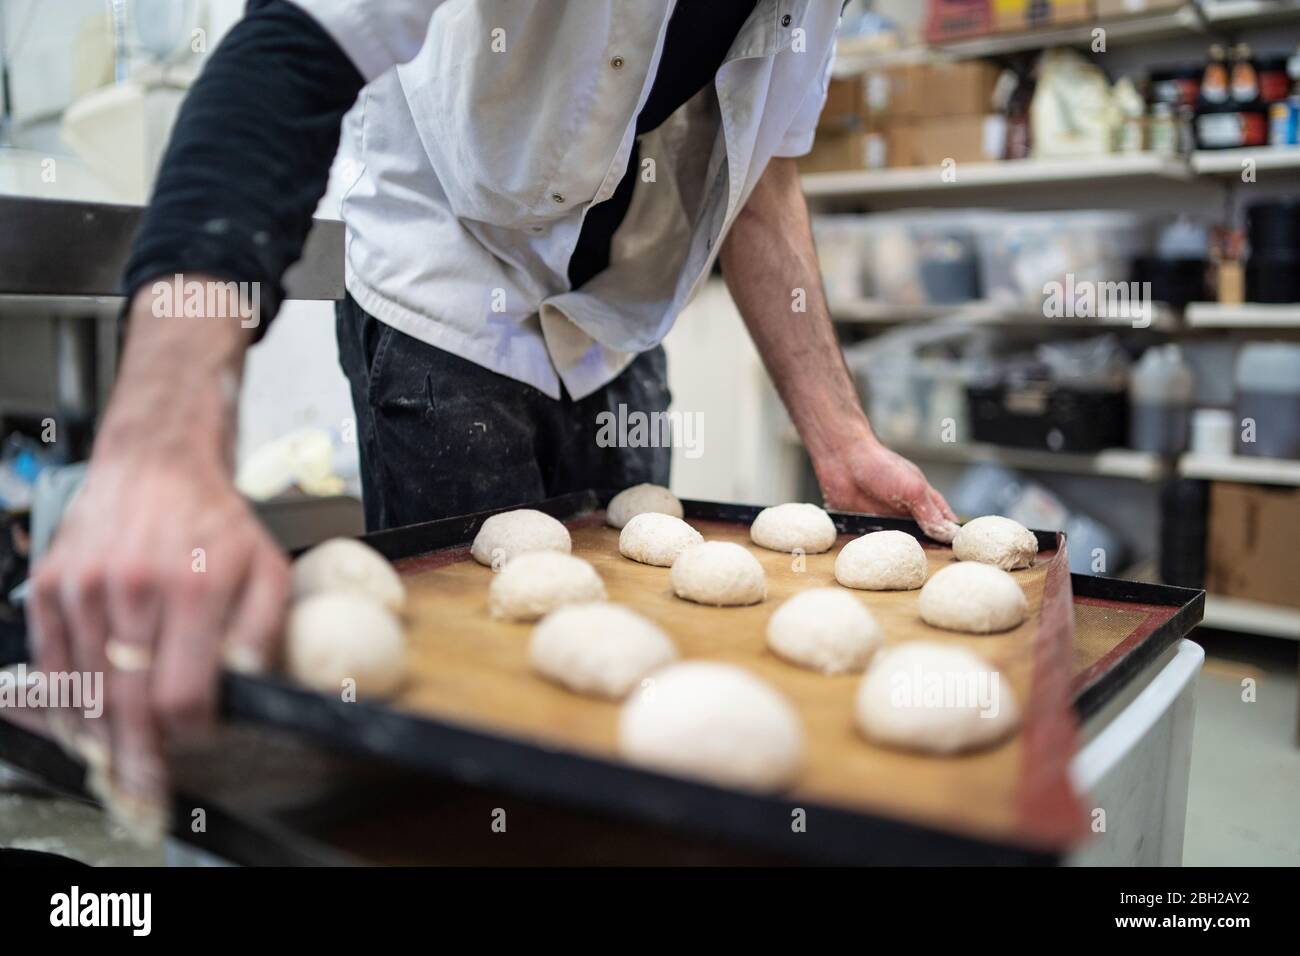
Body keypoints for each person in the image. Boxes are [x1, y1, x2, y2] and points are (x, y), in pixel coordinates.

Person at [28, 0, 958, 833]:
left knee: (633, 650)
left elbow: (762, 175)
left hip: (615, 318)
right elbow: (293, 45)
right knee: (460, 743)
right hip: (449, 285)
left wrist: (840, 434)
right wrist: (159, 447)